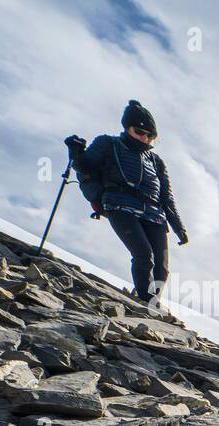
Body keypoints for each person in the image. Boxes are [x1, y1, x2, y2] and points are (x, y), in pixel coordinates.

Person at [70, 100, 187, 303]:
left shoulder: (156, 161)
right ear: (127, 127)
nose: (145, 138)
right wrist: (75, 152)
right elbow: (85, 166)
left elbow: (167, 197)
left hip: (154, 214)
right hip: (119, 204)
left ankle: (150, 302)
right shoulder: (108, 143)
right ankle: (146, 302)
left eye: (150, 135)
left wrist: (179, 228)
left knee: (162, 268)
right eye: (140, 132)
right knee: (143, 254)